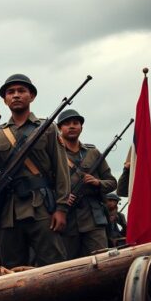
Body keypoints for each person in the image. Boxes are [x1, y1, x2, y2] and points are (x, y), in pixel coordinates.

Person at [0, 74, 81, 301]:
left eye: (21, 90)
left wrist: (62, 209)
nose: (16, 95)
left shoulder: (47, 127)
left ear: (31, 96)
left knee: (56, 268)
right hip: (8, 211)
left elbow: (61, 173)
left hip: (42, 207)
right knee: (9, 272)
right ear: (5, 99)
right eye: (10, 92)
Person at [57, 109, 117, 259]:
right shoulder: (55, 153)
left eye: (76, 123)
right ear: (59, 128)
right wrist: (61, 197)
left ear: (81, 128)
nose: (72, 126)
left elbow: (112, 182)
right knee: (68, 266)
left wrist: (97, 183)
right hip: (67, 218)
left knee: (102, 261)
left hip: (93, 219)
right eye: (67, 124)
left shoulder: (93, 152)